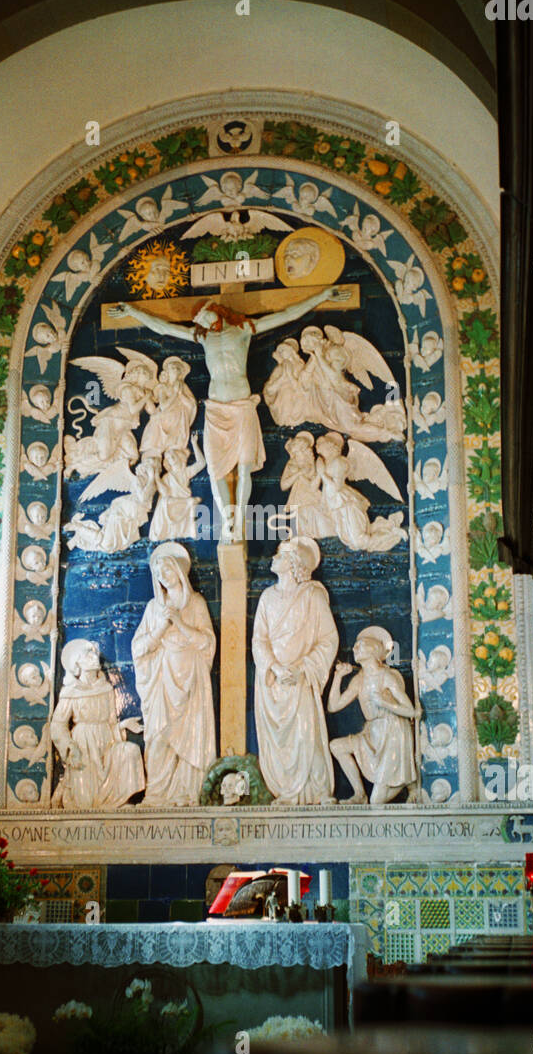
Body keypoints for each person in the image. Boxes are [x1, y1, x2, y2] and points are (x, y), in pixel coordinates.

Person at [106, 283, 351, 541]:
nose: (198, 320)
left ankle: (240, 517)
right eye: (197, 318)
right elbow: (165, 328)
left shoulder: (243, 330)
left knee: (245, 468)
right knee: (215, 469)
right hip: (216, 409)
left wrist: (322, 295)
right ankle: (227, 520)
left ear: (215, 310)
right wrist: (133, 312)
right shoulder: (203, 337)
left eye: (201, 314)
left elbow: (287, 314)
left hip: (242, 405)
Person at [252, 536, 338, 805]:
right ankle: (287, 792)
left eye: (279, 554)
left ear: (292, 563)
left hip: (300, 679)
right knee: (279, 741)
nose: (273, 558)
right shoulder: (267, 597)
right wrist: (275, 668)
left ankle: (317, 789)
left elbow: (328, 638)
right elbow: (259, 639)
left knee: (306, 733)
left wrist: (303, 668)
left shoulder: (312, 595)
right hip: (273, 681)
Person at [131, 543, 216, 805]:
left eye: (167, 568)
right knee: (158, 735)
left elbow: (207, 642)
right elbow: (138, 648)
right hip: (161, 679)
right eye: (157, 571)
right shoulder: (153, 608)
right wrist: (160, 628)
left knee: (191, 736)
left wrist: (179, 621)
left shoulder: (196, 603)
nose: (162, 574)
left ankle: (188, 792)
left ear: (179, 570)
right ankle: (157, 793)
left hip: (191, 677)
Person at [328, 626, 420, 806]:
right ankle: (359, 794)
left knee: (377, 801)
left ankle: (407, 782)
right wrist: (338, 677)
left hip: (391, 733)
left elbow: (412, 711)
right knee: (336, 746)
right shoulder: (359, 679)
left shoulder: (386, 676)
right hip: (372, 733)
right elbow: (333, 706)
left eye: (359, 646)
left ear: (372, 650)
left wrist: (385, 703)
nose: (354, 649)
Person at [50, 639, 144, 809]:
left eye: (94, 653)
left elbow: (109, 722)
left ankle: (118, 801)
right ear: (77, 663)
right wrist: (69, 747)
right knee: (85, 803)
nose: (94, 657)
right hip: (83, 745)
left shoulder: (106, 688)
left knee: (130, 750)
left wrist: (123, 725)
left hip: (107, 742)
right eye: (88, 654)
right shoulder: (71, 691)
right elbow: (58, 724)